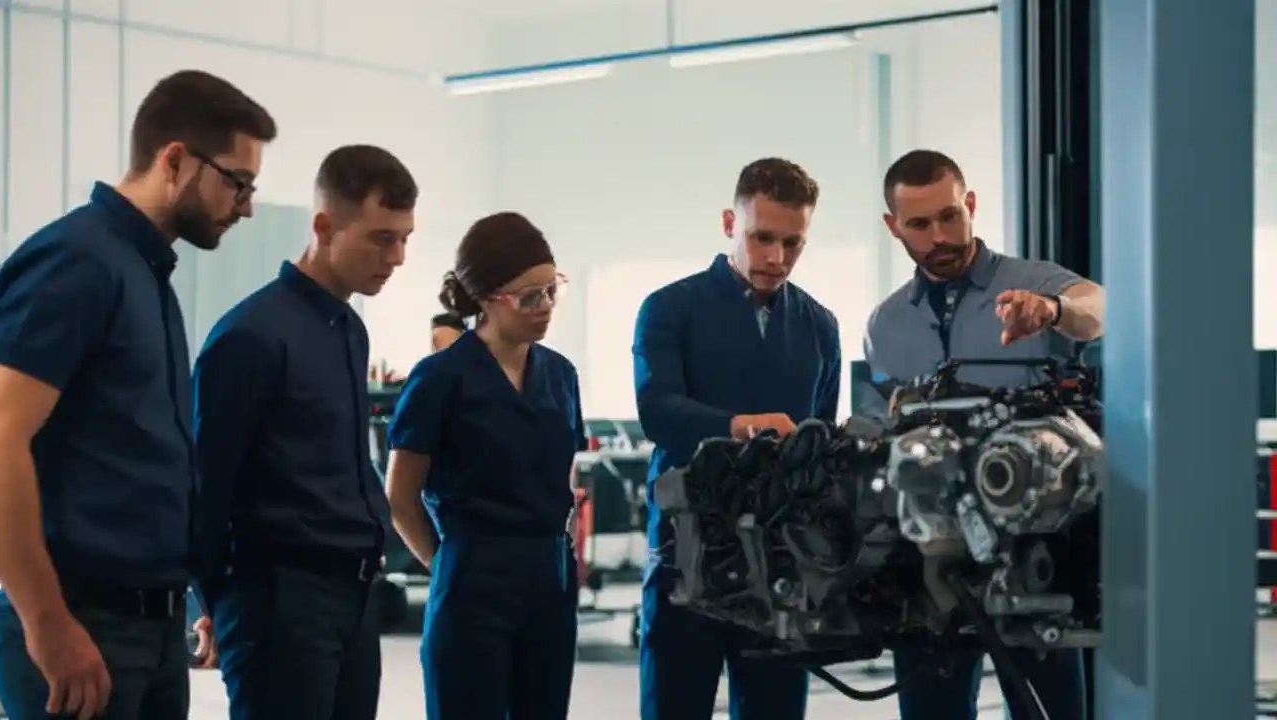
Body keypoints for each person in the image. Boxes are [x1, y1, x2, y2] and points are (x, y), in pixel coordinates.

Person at [0, 69, 276, 720]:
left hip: (150, 625)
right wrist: (48, 625)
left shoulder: (146, 273)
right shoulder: (78, 262)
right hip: (80, 624)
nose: (247, 205)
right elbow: (0, 436)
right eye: (237, 182)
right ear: (175, 160)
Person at [863, 149, 1105, 720]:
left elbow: (1099, 309)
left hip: (1031, 549)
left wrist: (1050, 311)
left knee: (1051, 712)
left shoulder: (1029, 281)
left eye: (950, 216)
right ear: (893, 226)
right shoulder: (885, 323)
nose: (939, 236)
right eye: (920, 225)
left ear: (970, 204)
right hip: (928, 562)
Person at [190, 144, 416, 719]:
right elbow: (206, 487)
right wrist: (212, 602)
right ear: (323, 226)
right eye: (381, 238)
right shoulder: (251, 336)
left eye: (405, 238)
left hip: (354, 596)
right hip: (280, 600)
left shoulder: (349, 330)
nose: (397, 257)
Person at [633, 157, 841, 720]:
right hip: (686, 553)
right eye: (761, 237)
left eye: (793, 243)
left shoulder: (820, 326)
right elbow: (659, 412)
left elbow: (819, 445)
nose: (776, 257)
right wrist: (745, 426)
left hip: (780, 562)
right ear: (730, 222)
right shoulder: (668, 309)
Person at [384, 212, 583, 720]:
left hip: (548, 578)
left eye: (551, 291)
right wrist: (450, 564)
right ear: (486, 300)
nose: (545, 308)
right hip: (473, 574)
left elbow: (561, 476)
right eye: (529, 297)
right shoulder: (440, 379)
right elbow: (401, 497)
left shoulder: (560, 375)